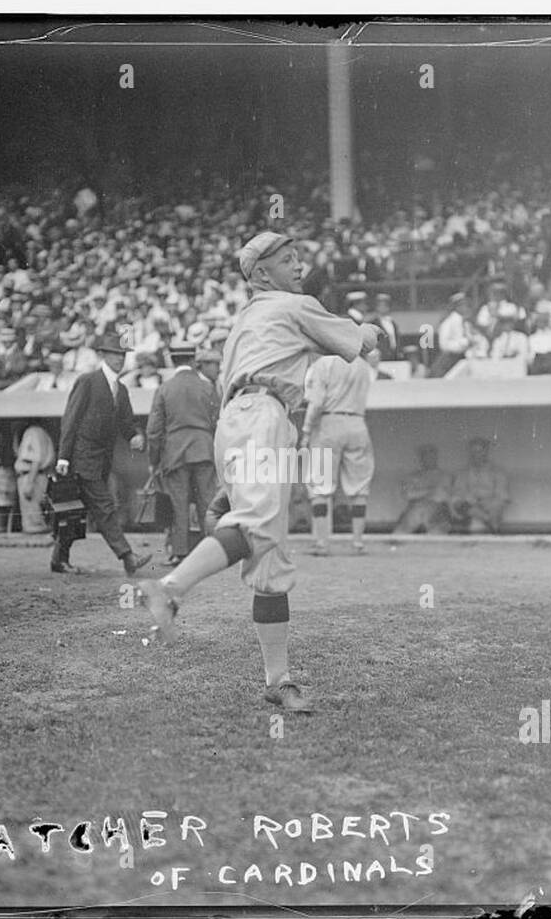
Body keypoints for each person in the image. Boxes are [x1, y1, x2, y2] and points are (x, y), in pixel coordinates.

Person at [138, 230, 381, 713]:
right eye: (288, 260)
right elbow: (360, 342)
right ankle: (168, 590)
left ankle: (278, 680)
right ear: (262, 274)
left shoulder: (245, 320)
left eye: (297, 258)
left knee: (270, 559)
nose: (299, 266)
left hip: (241, 421)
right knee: (258, 527)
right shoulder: (294, 304)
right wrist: (372, 330)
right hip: (261, 416)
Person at [51, 336, 154, 576]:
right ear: (103, 355)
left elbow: (127, 423)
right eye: (115, 354)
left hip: (100, 461)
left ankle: (59, 559)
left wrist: (135, 436)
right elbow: (71, 419)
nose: (120, 359)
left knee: (74, 512)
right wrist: (63, 457)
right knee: (104, 507)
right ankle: (128, 557)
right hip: (82, 458)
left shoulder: (121, 389)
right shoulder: (88, 381)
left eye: (123, 355)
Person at [146, 347, 221, 566]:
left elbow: (153, 431)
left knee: (178, 505)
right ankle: (212, 553)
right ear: (194, 361)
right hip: (204, 450)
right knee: (207, 503)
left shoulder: (164, 389)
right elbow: (217, 422)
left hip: (175, 453)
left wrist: (154, 461)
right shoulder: (208, 388)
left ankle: (180, 553)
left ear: (172, 361)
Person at [302, 349, 375, 556]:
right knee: (359, 484)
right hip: (357, 422)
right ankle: (357, 543)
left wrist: (306, 430)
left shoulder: (324, 363)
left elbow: (316, 402)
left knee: (320, 483)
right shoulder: (363, 365)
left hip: (329, 422)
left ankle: (322, 543)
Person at [448, 436, 511, 533]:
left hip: (491, 506)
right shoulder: (462, 473)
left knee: (498, 506)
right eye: (473, 452)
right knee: (457, 502)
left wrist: (487, 502)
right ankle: (488, 520)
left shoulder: (498, 472)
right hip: (469, 508)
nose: (476, 455)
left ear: (486, 452)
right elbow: (458, 492)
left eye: (479, 451)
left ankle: (490, 523)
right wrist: (468, 498)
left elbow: (502, 496)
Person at [395, 444, 452, 534]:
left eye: (431, 456)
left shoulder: (445, 476)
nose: (429, 459)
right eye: (425, 456)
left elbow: (442, 496)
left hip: (437, 512)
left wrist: (419, 493)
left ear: (436, 458)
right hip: (415, 511)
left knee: (437, 529)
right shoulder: (413, 477)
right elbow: (408, 494)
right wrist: (431, 491)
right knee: (400, 532)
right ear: (421, 459)